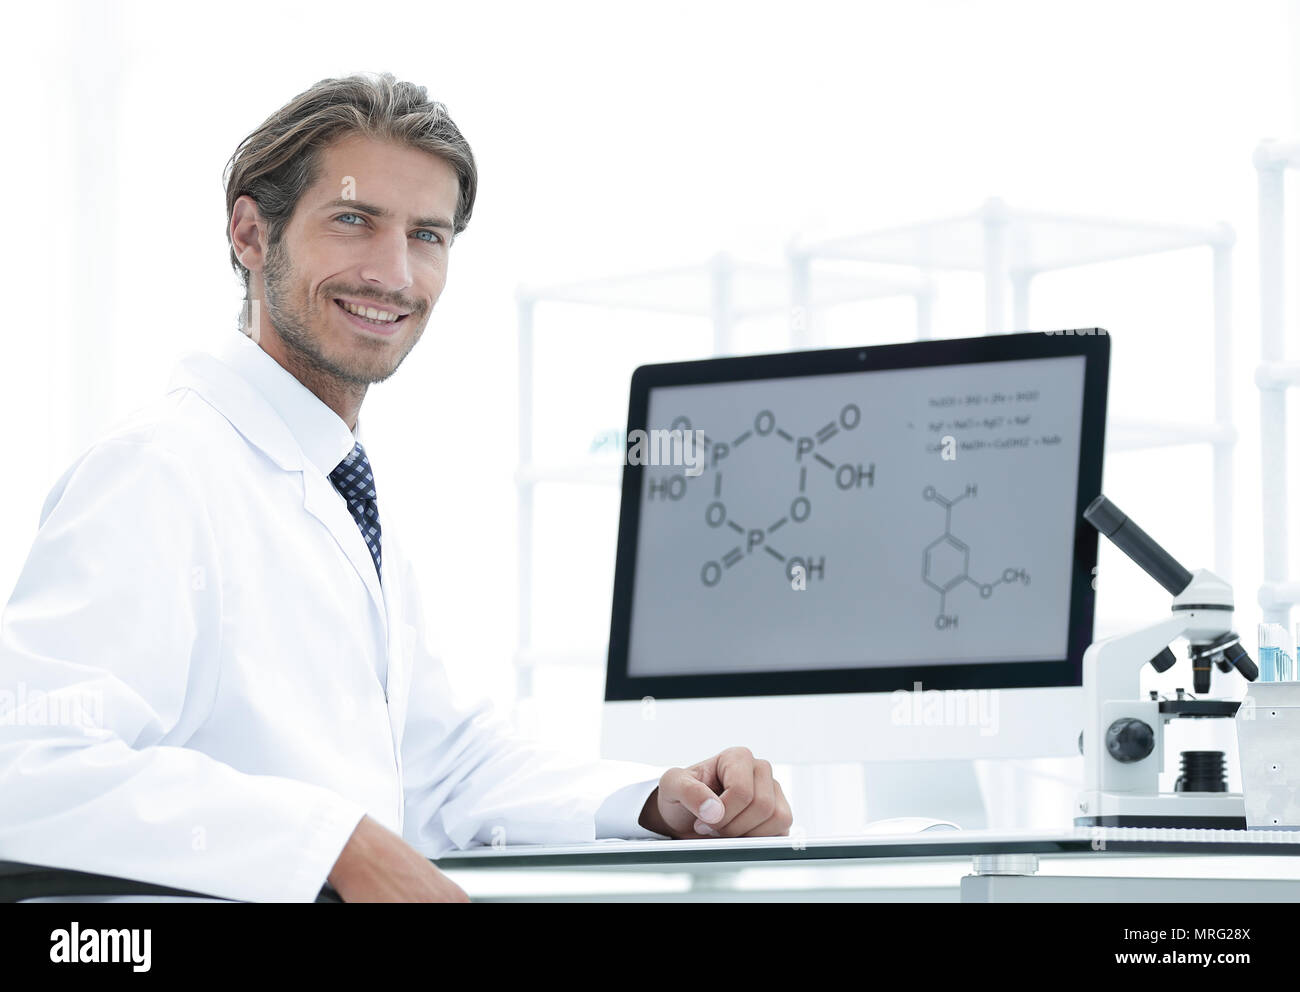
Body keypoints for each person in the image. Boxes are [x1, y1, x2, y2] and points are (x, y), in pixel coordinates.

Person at [0, 71, 791, 903]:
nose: (395, 274)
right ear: (250, 232)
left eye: (427, 236)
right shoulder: (160, 470)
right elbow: (29, 760)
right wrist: (329, 845)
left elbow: (441, 765)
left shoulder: (337, 484)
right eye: (353, 220)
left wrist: (657, 801)